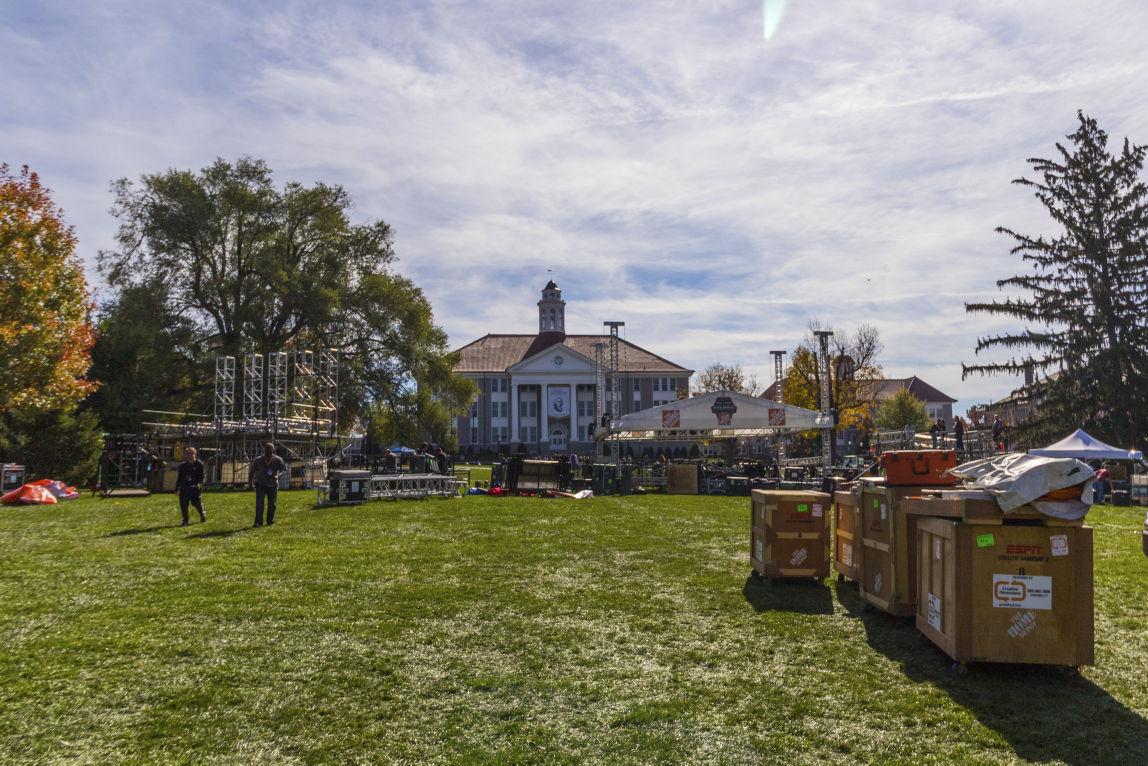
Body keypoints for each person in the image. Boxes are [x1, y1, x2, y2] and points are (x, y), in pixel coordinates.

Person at [249, 442, 287, 527]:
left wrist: (278, 475)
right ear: (264, 450)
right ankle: (258, 522)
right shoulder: (258, 460)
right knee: (259, 503)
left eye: (270, 449)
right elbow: (251, 472)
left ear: (273, 450)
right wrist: (250, 484)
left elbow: (284, 470)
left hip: (273, 485)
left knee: (272, 504)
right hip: (260, 484)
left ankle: (270, 520)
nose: (269, 451)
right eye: (267, 449)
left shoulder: (278, 460)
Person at [176, 446, 206, 526]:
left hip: (195, 488)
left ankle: (202, 514)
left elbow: (202, 476)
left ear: (195, 454)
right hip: (184, 488)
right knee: (184, 505)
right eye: (188, 453)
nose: (190, 455)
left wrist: (200, 484)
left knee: (196, 503)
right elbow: (179, 478)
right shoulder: (183, 466)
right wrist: (177, 489)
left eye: (192, 453)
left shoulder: (199, 464)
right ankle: (185, 520)